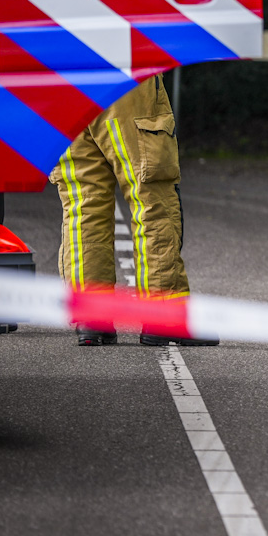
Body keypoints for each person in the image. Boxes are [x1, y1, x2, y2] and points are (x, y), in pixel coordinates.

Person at [52, 73, 212, 347]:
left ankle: (93, 318)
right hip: (123, 78)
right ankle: (164, 316)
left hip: (60, 88)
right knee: (153, 201)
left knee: (83, 205)